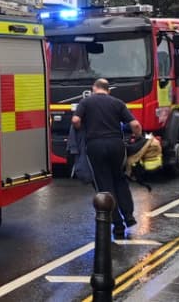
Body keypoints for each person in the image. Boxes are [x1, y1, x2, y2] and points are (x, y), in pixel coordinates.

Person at [72, 78, 142, 238]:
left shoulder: (86, 102)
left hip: (95, 146)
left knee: (104, 184)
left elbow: (76, 120)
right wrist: (137, 137)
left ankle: (117, 224)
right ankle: (129, 216)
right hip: (116, 145)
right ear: (108, 90)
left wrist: (80, 128)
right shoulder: (117, 103)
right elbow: (135, 125)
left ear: (93, 88)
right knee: (120, 180)